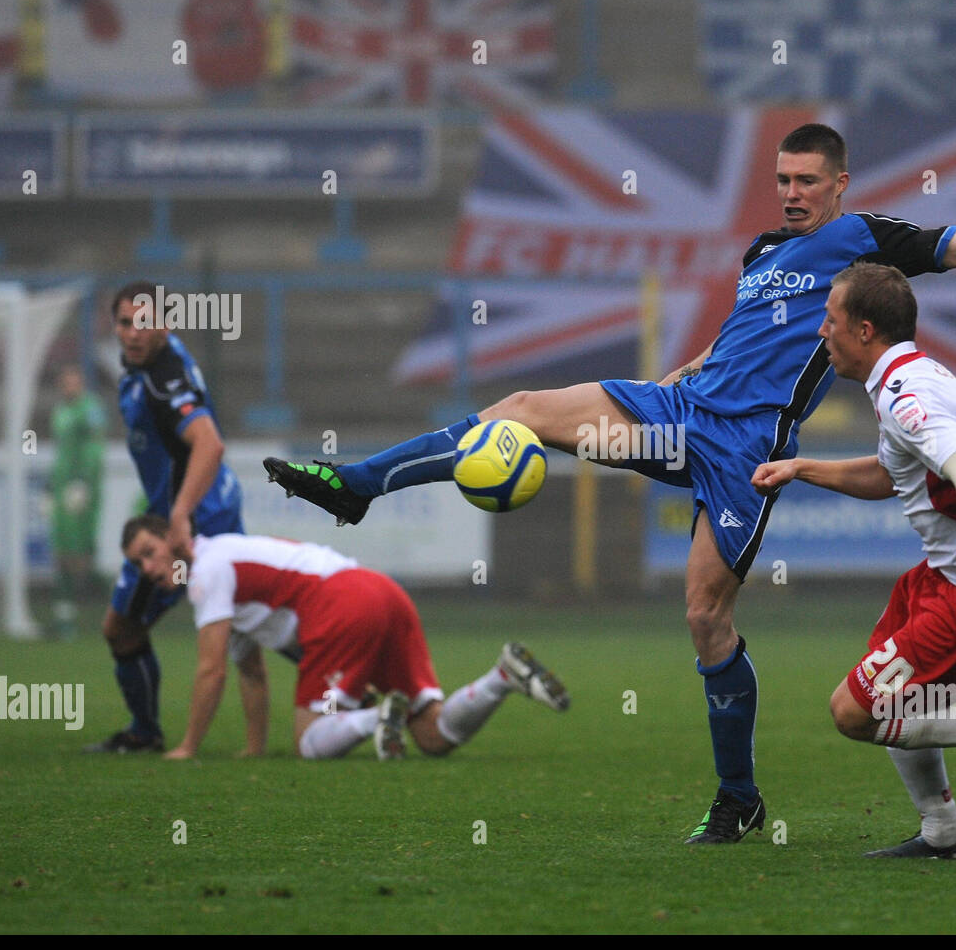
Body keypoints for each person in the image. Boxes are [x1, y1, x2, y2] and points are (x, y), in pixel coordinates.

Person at [264, 123, 956, 843]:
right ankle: (359, 485)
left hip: (743, 453)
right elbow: (736, 343)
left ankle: (740, 799)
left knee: (704, 615)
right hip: (679, 412)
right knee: (522, 406)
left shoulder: (865, 241)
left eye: (806, 180)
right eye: (782, 178)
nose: (791, 192)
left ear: (839, 184)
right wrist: (683, 374)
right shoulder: (761, 250)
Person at [752, 263, 956, 859]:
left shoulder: (909, 396)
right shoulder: (910, 374)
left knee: (854, 712)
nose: (821, 332)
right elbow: (889, 474)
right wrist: (801, 469)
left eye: (831, 321)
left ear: (865, 330)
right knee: (896, 702)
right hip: (942, 578)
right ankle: (943, 834)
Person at [118, 514, 570, 760]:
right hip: (382, 592)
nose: (149, 570)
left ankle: (378, 719)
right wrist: (254, 749)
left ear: (174, 538)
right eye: (138, 565)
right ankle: (501, 678)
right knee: (432, 736)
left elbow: (210, 669)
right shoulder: (227, 570)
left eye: (149, 553)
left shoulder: (207, 571)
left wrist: (186, 748)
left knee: (307, 743)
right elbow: (250, 672)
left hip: (340, 604)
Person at [84, 281, 244, 754]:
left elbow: (210, 443)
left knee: (122, 626)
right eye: (124, 322)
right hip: (200, 512)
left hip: (193, 524)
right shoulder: (149, 362)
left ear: (166, 325)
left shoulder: (161, 378)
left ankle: (146, 733)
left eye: (144, 322)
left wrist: (179, 517)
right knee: (254, 622)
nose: (132, 333)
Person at [48, 365, 107, 639]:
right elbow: (60, 451)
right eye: (65, 381)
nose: (68, 386)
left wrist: (83, 482)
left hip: (80, 489)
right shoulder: (60, 411)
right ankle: (64, 618)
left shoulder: (90, 409)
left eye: (74, 381)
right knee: (61, 551)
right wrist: (50, 486)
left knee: (79, 552)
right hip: (61, 489)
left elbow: (95, 446)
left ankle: (102, 609)